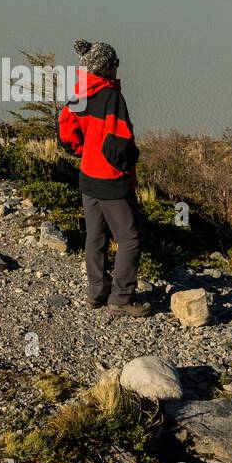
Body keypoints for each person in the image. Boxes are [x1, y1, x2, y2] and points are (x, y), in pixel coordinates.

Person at [57, 39, 151, 317]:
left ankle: (96, 292)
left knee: (95, 236)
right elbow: (119, 144)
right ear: (106, 66)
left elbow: (65, 130)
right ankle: (121, 298)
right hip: (111, 180)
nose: (117, 69)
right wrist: (127, 166)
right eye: (115, 63)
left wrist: (84, 151)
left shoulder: (80, 93)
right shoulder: (111, 97)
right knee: (130, 238)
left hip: (87, 177)